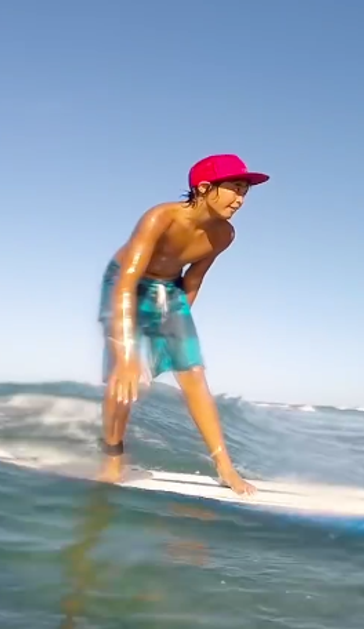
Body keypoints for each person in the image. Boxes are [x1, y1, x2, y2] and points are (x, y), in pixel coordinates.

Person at [96, 153, 268, 496]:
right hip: (126, 283)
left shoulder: (224, 235)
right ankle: (113, 455)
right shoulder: (161, 217)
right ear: (204, 188)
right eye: (235, 188)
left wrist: (175, 327)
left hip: (169, 290)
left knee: (194, 372)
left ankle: (224, 466)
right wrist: (128, 353)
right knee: (124, 376)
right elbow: (126, 283)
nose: (241, 199)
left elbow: (194, 279)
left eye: (245, 191)